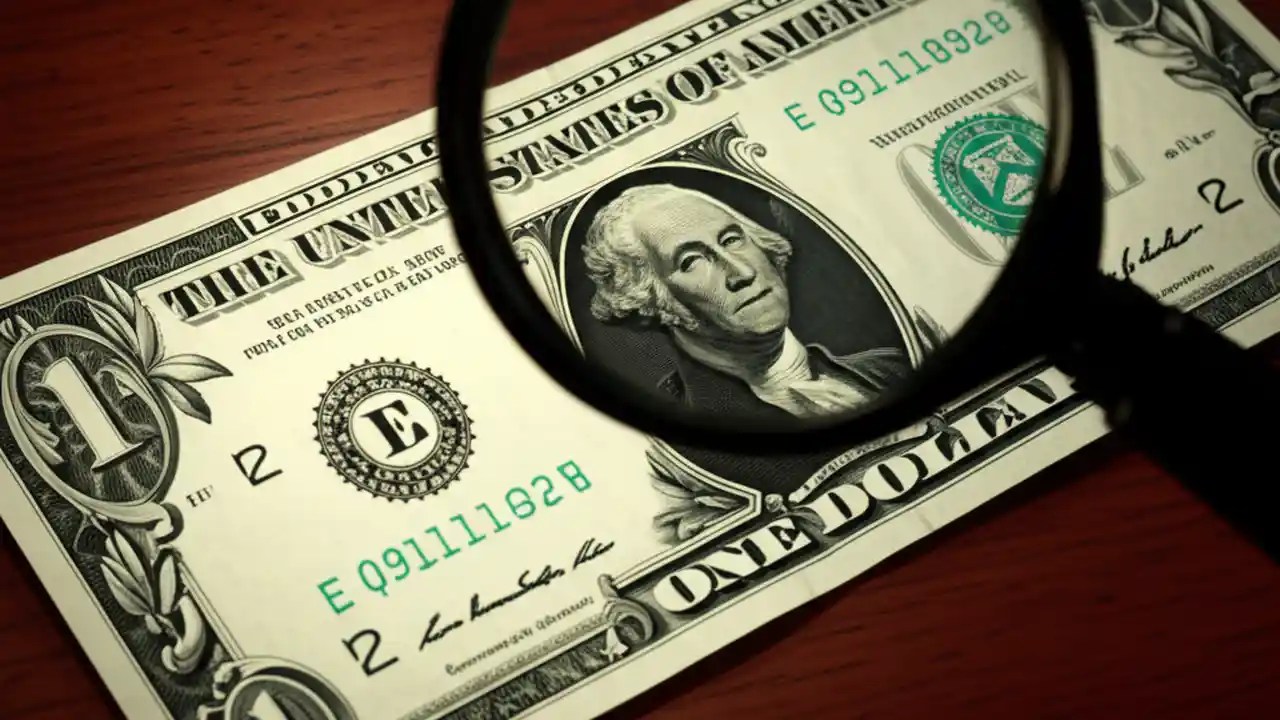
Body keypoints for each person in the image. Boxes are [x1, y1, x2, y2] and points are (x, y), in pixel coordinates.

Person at [582, 183, 910, 422]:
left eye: (732, 239)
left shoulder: (891, 370)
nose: (742, 271)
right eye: (691, 261)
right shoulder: (686, 450)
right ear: (649, 302)